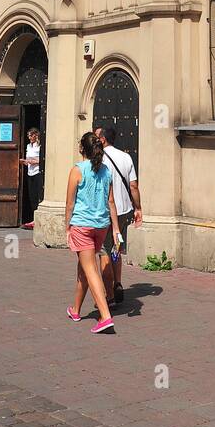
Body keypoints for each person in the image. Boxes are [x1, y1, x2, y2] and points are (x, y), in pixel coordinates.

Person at [64, 131, 120, 333]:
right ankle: (76, 309)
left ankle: (105, 317)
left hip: (82, 225)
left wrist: (67, 226)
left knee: (90, 269)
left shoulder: (77, 170)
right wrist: (115, 229)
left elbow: (70, 204)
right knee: (84, 267)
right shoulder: (106, 171)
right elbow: (111, 202)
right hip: (101, 226)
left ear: (82, 149)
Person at [95, 126, 142, 305]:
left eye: (97, 136)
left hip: (105, 212)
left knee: (104, 251)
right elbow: (134, 186)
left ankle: (109, 295)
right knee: (117, 248)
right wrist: (138, 208)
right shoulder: (126, 157)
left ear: (103, 140)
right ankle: (118, 282)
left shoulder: (98, 159)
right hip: (124, 212)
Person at [19, 128, 42, 228]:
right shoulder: (29, 146)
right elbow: (29, 158)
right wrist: (25, 161)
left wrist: (34, 161)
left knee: (37, 195)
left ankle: (37, 220)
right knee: (32, 196)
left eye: (30, 135)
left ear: (35, 135)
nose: (29, 138)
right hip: (30, 172)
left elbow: (41, 159)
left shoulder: (40, 146)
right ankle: (34, 219)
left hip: (37, 172)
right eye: (28, 136)